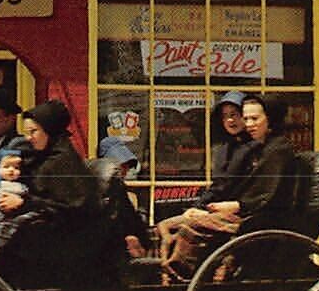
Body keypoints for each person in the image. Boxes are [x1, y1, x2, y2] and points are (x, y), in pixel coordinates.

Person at [0, 99, 102, 287]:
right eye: (28, 132)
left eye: (34, 132)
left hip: (60, 232)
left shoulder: (64, 162)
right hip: (34, 214)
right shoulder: (39, 158)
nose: (29, 138)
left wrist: (24, 202)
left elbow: (74, 207)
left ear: (50, 131)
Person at [164, 94, 297, 281]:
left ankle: (181, 279)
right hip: (248, 214)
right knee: (172, 226)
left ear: (270, 119)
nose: (249, 124)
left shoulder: (278, 150)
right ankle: (177, 276)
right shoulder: (260, 148)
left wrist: (235, 206)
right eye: (247, 118)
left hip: (263, 219)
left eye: (254, 119)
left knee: (193, 226)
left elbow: (268, 195)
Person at [156, 90, 253, 267]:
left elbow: (241, 191)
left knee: (187, 228)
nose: (230, 120)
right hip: (213, 210)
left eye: (235, 115)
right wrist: (196, 207)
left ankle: (178, 273)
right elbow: (217, 186)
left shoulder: (253, 149)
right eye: (225, 117)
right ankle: (164, 270)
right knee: (164, 226)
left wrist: (206, 212)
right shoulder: (225, 148)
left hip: (234, 214)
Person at [96, 136, 149, 259]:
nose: (124, 170)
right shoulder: (91, 188)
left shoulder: (119, 189)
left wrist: (139, 240)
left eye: (126, 166)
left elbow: (134, 222)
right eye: (121, 165)